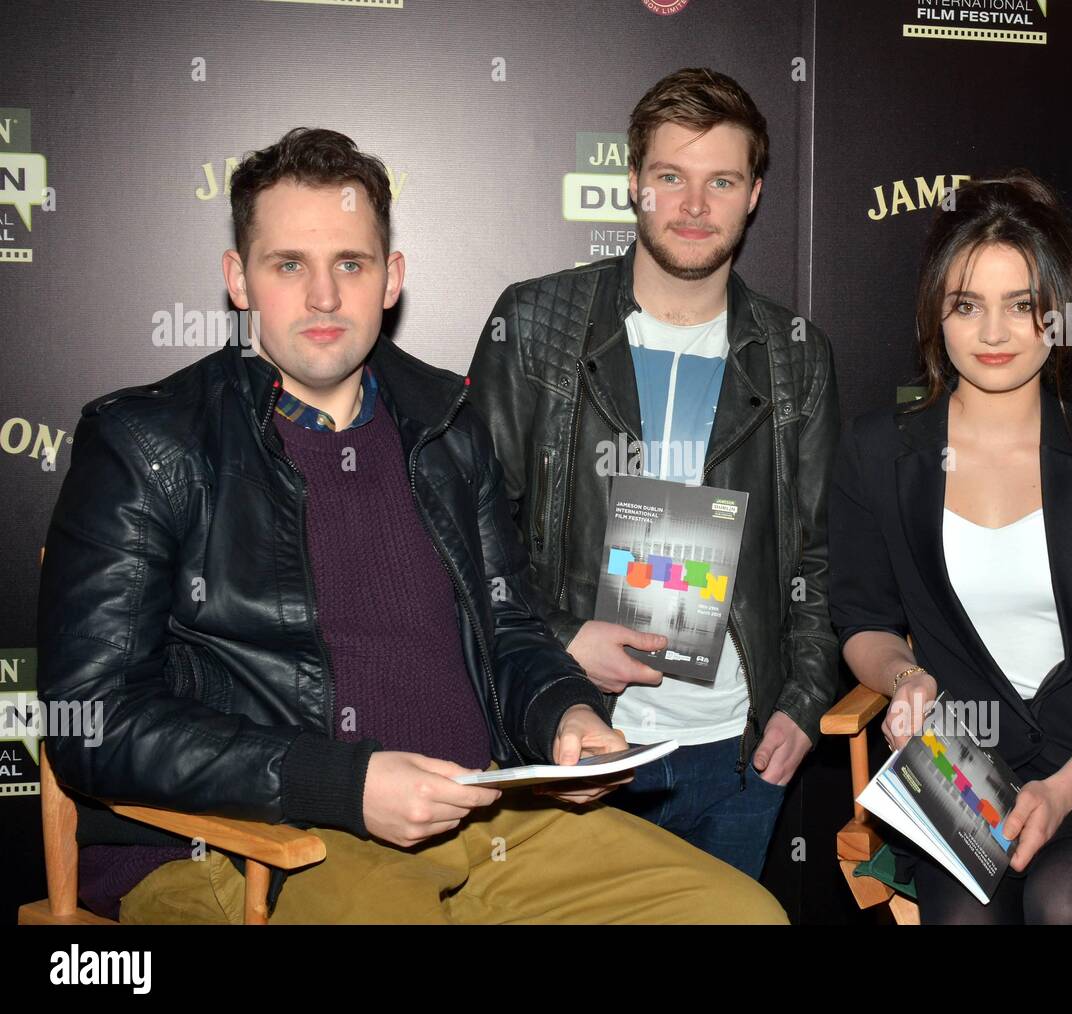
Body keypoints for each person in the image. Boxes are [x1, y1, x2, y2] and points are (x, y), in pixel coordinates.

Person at [36, 126, 787, 924]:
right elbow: (95, 721)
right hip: (261, 845)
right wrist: (340, 783)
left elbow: (510, 633)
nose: (324, 297)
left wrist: (563, 716)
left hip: (486, 816)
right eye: (290, 264)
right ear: (239, 280)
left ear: (390, 279)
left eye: (350, 265)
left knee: (742, 915)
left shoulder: (448, 426)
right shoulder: (149, 444)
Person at [827, 170, 1072, 924]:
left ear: (1060, 315)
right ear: (934, 315)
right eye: (966, 305)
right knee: (965, 916)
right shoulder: (878, 454)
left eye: (1022, 307)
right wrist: (906, 675)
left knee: (1067, 897)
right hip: (971, 774)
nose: (991, 334)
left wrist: (1063, 790)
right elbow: (863, 622)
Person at [467, 68, 840, 879]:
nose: (695, 206)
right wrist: (564, 639)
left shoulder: (797, 355)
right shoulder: (536, 325)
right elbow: (470, 533)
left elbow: (819, 554)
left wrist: (805, 704)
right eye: (672, 177)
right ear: (633, 184)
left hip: (738, 754)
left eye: (722, 181)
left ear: (755, 194)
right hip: (581, 740)